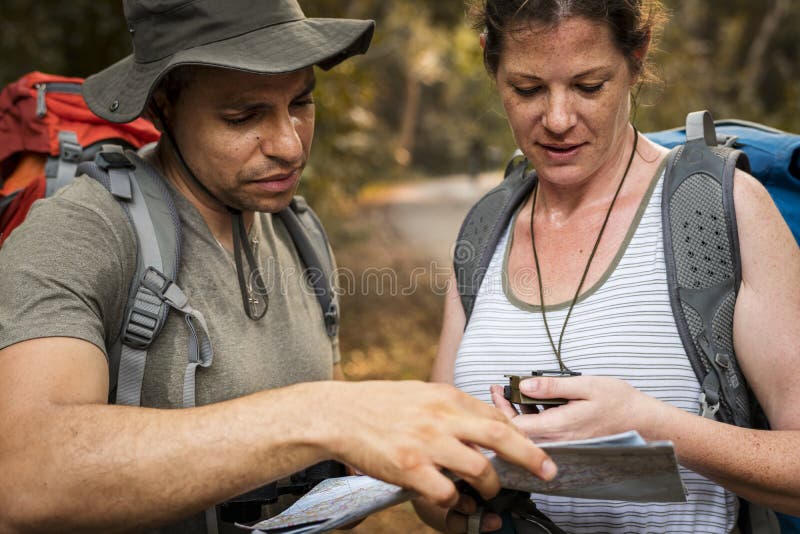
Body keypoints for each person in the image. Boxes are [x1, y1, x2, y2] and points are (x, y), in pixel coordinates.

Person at [0, 1, 558, 532]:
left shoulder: (299, 231)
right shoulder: (81, 232)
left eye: (302, 103)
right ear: (164, 104)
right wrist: (323, 416)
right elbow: (23, 478)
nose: (289, 145)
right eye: (244, 116)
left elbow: (329, 438)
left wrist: (402, 459)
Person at [422, 0, 800, 532]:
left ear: (637, 57)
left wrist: (653, 427)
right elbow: (435, 496)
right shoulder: (487, 227)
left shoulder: (725, 210)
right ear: (490, 61)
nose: (556, 119)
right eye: (527, 89)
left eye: (589, 86)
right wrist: (451, 495)